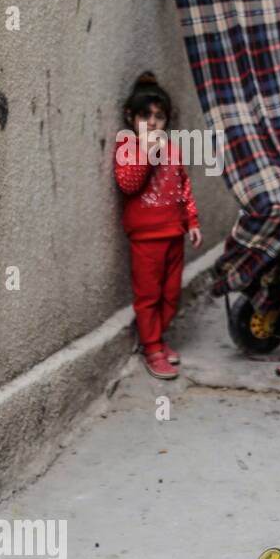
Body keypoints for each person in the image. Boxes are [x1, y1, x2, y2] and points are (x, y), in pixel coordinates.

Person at [113, 73, 202, 380]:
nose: (152, 123)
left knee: (171, 293)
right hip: (146, 238)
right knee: (148, 295)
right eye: (145, 116)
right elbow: (128, 184)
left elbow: (183, 187)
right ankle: (151, 347)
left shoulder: (173, 148)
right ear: (130, 117)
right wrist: (147, 153)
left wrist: (192, 221)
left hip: (174, 233)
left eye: (159, 117)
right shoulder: (127, 146)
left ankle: (157, 338)